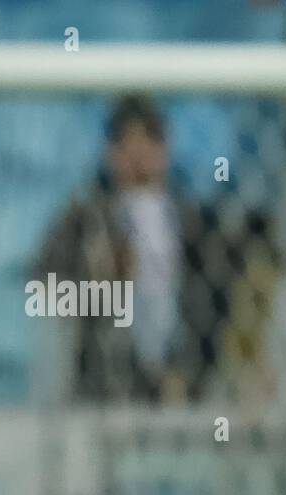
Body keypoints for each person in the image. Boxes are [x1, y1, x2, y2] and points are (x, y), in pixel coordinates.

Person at [34, 94, 248, 403]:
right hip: (105, 378)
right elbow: (43, 287)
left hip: (186, 377)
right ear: (110, 152)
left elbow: (221, 295)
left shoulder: (195, 223)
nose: (137, 154)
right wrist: (98, 283)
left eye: (148, 140)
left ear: (165, 148)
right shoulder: (84, 219)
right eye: (126, 142)